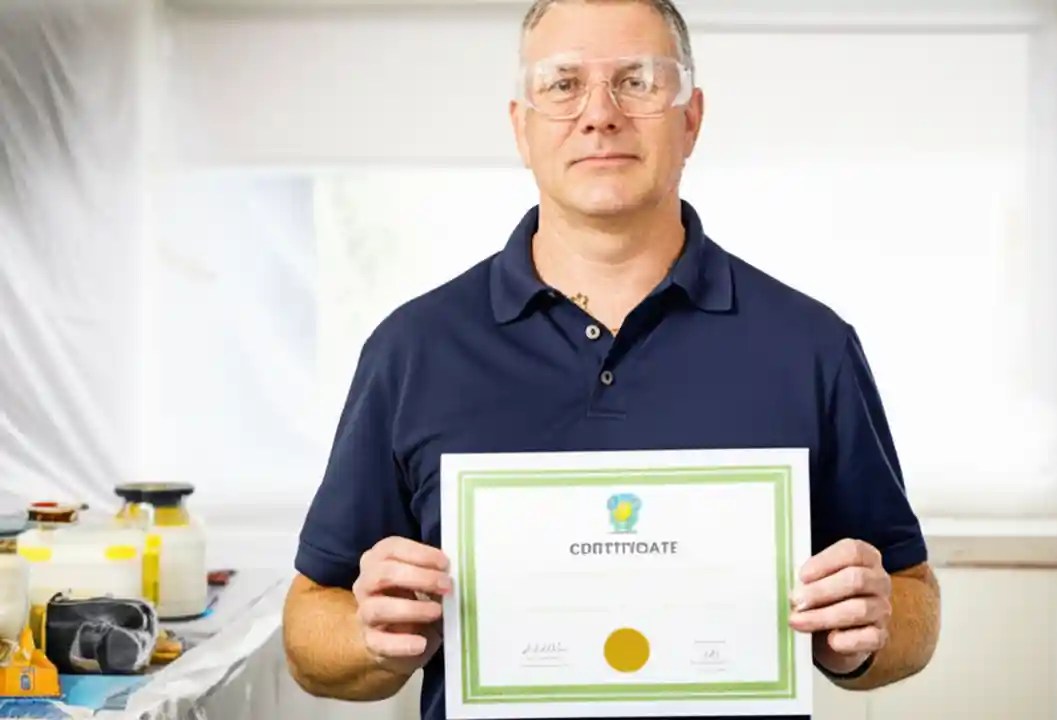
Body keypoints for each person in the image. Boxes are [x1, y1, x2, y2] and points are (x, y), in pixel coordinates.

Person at [282, 0, 941, 718]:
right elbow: (310, 626)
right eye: (563, 84)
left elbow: (911, 598)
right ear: (520, 127)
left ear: (691, 118)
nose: (600, 113)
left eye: (638, 80)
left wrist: (865, 635)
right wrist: (368, 634)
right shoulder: (413, 350)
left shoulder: (810, 346)